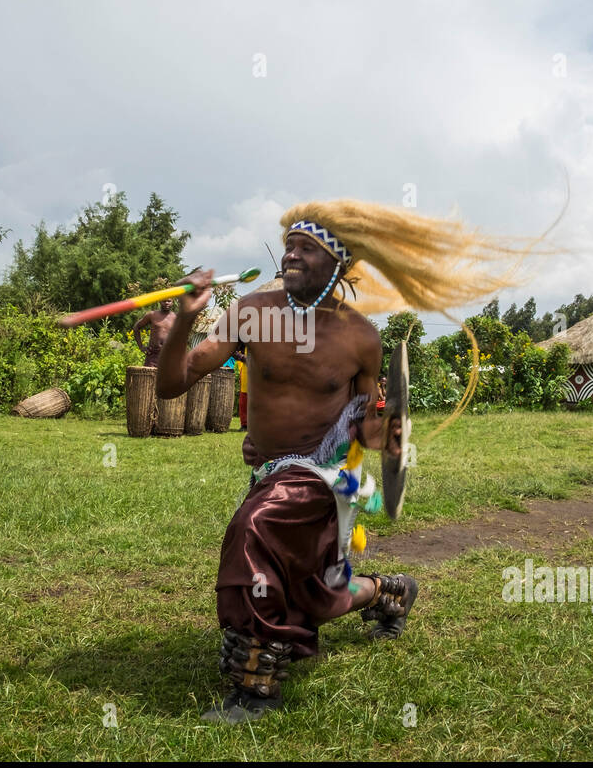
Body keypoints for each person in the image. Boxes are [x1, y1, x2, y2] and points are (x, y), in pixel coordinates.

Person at [157, 199, 523, 723]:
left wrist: (389, 430)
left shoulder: (360, 338)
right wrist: (183, 323)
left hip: (325, 475)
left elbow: (366, 426)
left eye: (307, 248)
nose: (293, 255)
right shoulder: (251, 313)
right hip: (271, 472)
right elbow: (173, 383)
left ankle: (256, 687)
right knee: (315, 590)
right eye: (289, 246)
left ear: (338, 263)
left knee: (253, 531)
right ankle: (390, 593)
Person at [132, 298, 176, 367]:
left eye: (169, 301)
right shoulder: (152, 315)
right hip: (153, 356)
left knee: (166, 377)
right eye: (164, 301)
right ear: (160, 302)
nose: (166, 303)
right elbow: (136, 327)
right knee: (148, 377)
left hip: (169, 356)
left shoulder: (175, 317)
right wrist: (141, 347)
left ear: (172, 302)